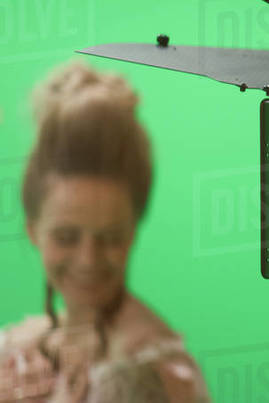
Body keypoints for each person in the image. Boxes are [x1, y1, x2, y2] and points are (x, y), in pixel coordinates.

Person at [0, 62, 209, 402]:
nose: (88, 259)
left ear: (133, 231)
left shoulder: (154, 371)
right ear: (32, 230)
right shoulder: (17, 354)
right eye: (66, 237)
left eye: (110, 238)